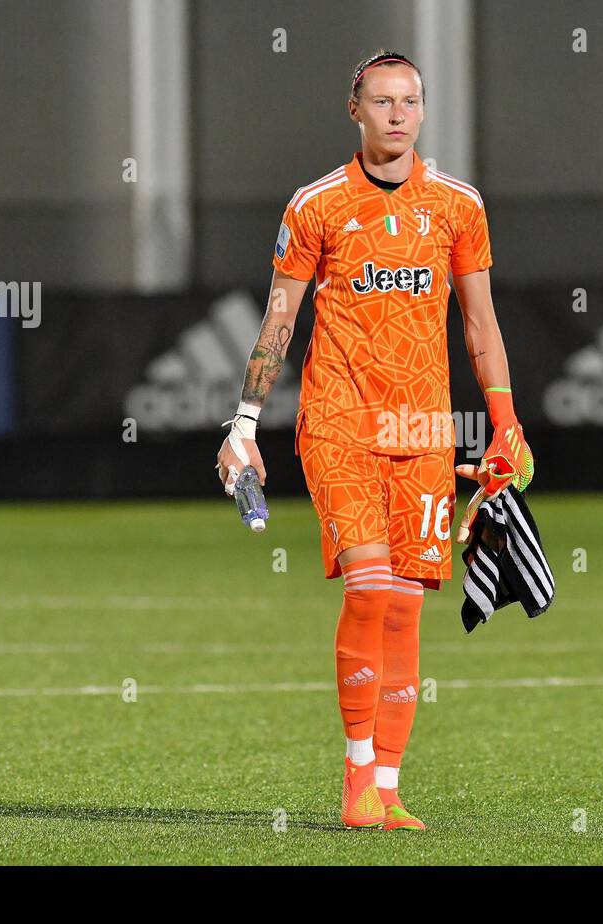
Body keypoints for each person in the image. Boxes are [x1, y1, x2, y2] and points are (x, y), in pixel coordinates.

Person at [217, 49, 528, 831]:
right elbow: (279, 322)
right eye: (383, 100)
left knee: (402, 609)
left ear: (423, 110)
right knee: (366, 587)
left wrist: (506, 422)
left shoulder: (458, 204)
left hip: (423, 428)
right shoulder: (316, 205)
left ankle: (387, 789)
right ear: (353, 109)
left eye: (410, 100)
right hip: (339, 422)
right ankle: (358, 779)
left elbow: (480, 325)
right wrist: (245, 424)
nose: (398, 113)